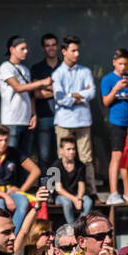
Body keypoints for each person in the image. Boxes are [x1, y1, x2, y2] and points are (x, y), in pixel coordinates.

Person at [50, 36, 99, 198]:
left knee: (86, 157)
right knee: (61, 156)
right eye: (73, 50)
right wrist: (77, 96)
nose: (77, 54)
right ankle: (56, 192)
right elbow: (60, 97)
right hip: (63, 121)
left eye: (78, 50)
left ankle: (91, 191)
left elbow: (91, 92)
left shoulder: (84, 71)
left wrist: (74, 96)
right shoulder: (57, 73)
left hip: (83, 119)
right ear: (64, 52)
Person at [0, 124, 42, 233]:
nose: (4, 143)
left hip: (11, 191)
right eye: (0, 140)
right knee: (0, 205)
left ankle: (13, 236)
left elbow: (36, 171)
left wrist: (21, 190)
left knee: (24, 202)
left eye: (6, 140)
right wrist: (6, 197)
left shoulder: (14, 152)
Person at [0, 35, 51, 158]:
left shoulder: (25, 69)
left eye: (26, 48)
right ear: (12, 50)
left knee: (25, 158)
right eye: (22, 48)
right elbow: (18, 88)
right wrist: (42, 82)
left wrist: (33, 114)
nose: (26, 51)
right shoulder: (5, 67)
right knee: (10, 158)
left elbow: (30, 94)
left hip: (26, 121)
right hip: (11, 121)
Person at [101, 47, 128, 203]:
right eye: (120, 64)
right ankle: (113, 192)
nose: (123, 67)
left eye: (125, 64)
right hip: (117, 122)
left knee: (127, 159)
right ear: (114, 62)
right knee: (117, 156)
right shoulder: (108, 79)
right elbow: (106, 102)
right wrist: (116, 89)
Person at [30, 33, 62, 168]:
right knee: (44, 156)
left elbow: (69, 92)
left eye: (53, 45)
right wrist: (57, 90)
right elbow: (36, 94)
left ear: (58, 47)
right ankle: (45, 187)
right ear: (43, 48)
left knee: (60, 156)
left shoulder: (65, 67)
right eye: (48, 46)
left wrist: (45, 86)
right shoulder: (37, 68)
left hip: (63, 117)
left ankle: (56, 187)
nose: (51, 48)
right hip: (44, 116)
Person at [46, 136, 92, 226]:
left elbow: (81, 185)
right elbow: (59, 190)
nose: (72, 152)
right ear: (61, 150)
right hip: (60, 196)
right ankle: (72, 228)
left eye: (74, 149)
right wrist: (74, 199)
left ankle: (80, 225)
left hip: (76, 195)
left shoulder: (80, 165)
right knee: (67, 203)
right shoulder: (55, 166)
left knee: (88, 201)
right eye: (69, 149)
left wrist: (79, 198)